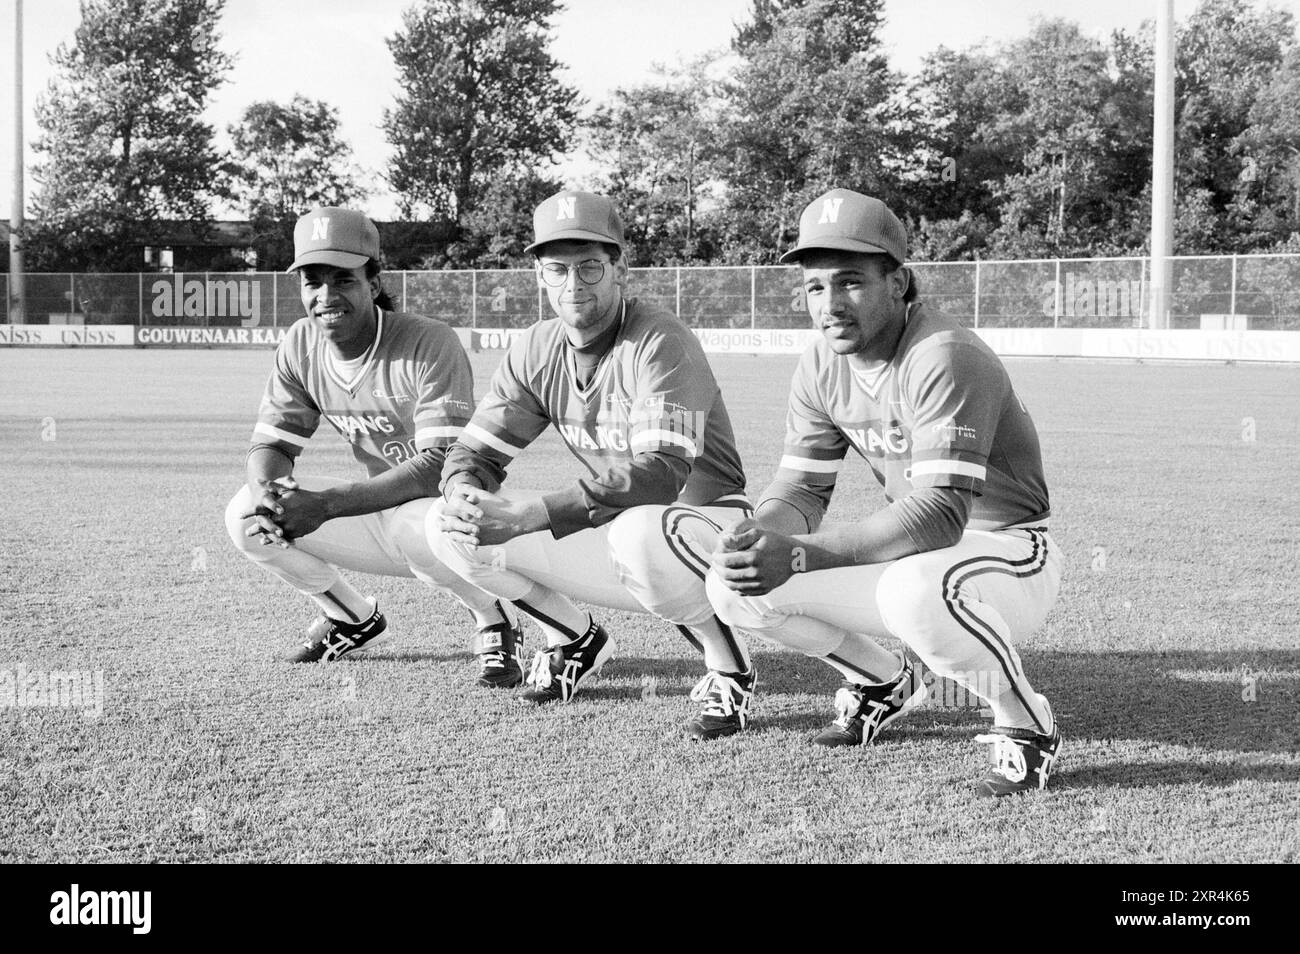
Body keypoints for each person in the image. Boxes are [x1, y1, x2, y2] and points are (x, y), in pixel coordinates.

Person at [706, 189, 1062, 795]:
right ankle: (880, 682)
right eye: (815, 287)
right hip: (921, 552)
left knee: (912, 591)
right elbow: (801, 487)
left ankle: (1027, 725)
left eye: (850, 282)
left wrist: (797, 555)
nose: (829, 304)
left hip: (1010, 553)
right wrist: (758, 533)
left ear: (898, 282)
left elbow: (940, 515)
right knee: (730, 586)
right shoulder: (821, 362)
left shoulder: (942, 354)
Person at [427, 190, 756, 739]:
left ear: (620, 268)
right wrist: (463, 488)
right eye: (558, 269)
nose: (574, 284)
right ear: (539, 275)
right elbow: (476, 452)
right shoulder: (535, 346)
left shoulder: (658, 339)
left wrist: (532, 513)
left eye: (590, 267)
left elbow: (661, 473)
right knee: (448, 525)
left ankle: (729, 669)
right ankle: (576, 639)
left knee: (639, 529)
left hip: (707, 529)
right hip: (619, 526)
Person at [224, 206, 524, 687]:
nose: (326, 296)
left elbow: (440, 465)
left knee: (417, 523)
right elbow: (272, 443)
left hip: (447, 514)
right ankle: (351, 617)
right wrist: (268, 492)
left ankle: (492, 619)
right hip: (376, 506)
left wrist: (324, 505)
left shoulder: (428, 340)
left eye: (342, 279)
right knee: (245, 514)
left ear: (374, 280)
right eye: (312, 281)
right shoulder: (300, 344)